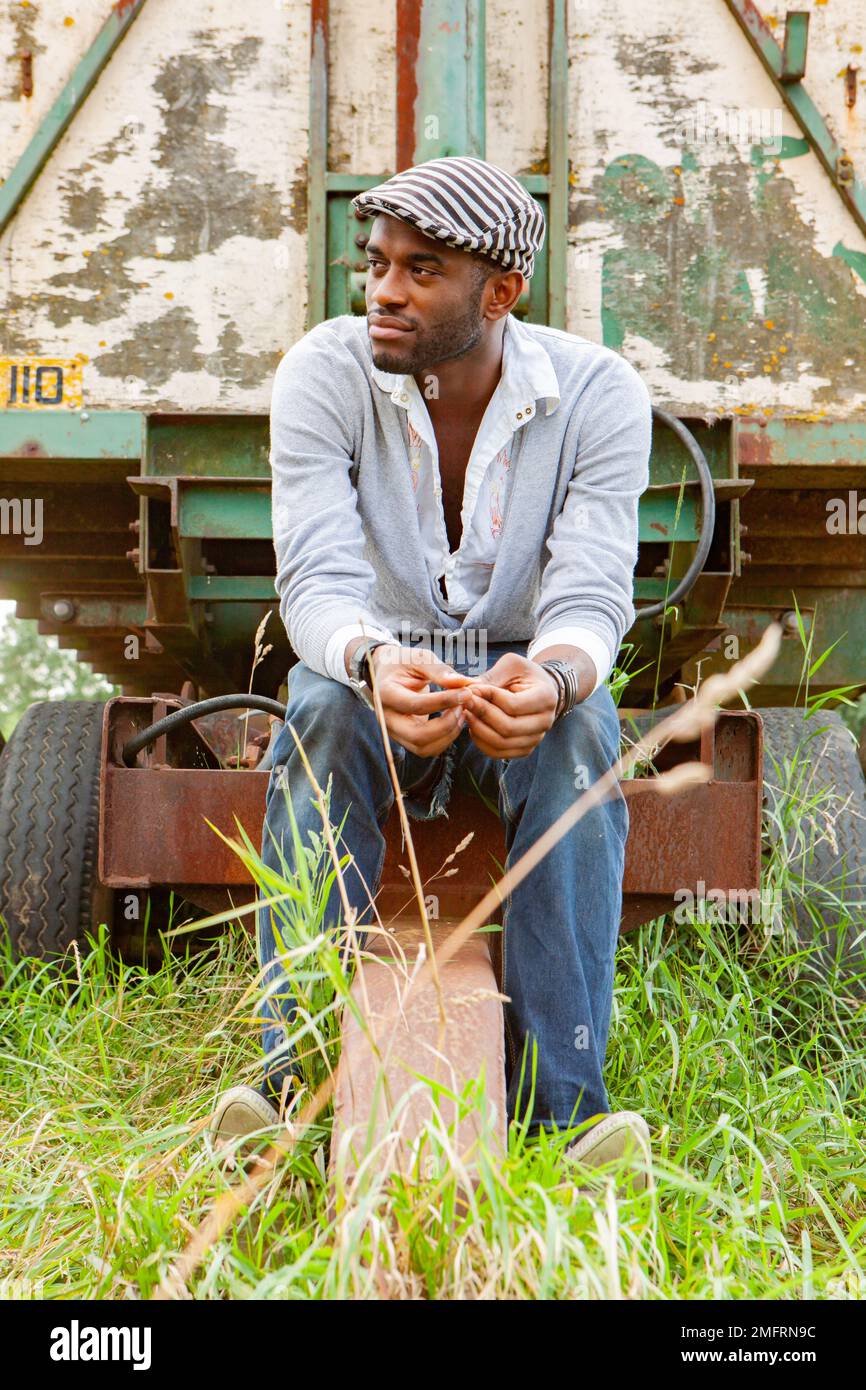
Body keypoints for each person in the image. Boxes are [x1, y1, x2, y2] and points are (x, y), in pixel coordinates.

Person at [210, 156, 652, 1184]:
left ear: (500, 292)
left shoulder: (598, 395)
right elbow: (316, 581)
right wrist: (369, 661)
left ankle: (566, 1115)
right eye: (376, 264)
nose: (385, 290)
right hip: (376, 673)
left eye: (423, 268)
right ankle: (287, 1089)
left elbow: (590, 596)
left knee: (585, 726)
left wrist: (547, 680)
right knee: (315, 704)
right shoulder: (324, 372)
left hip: (516, 679)